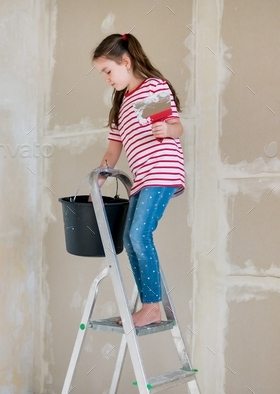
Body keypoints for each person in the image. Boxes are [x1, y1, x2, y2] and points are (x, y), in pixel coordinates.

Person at [91, 33, 185, 327]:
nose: (106, 79)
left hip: (162, 170)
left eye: (108, 71)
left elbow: (175, 126)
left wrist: (168, 132)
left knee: (139, 234)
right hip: (143, 178)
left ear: (126, 62)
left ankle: (151, 307)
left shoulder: (150, 90)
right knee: (129, 239)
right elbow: (113, 148)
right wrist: (99, 179)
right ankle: (150, 305)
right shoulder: (122, 103)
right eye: (102, 74)